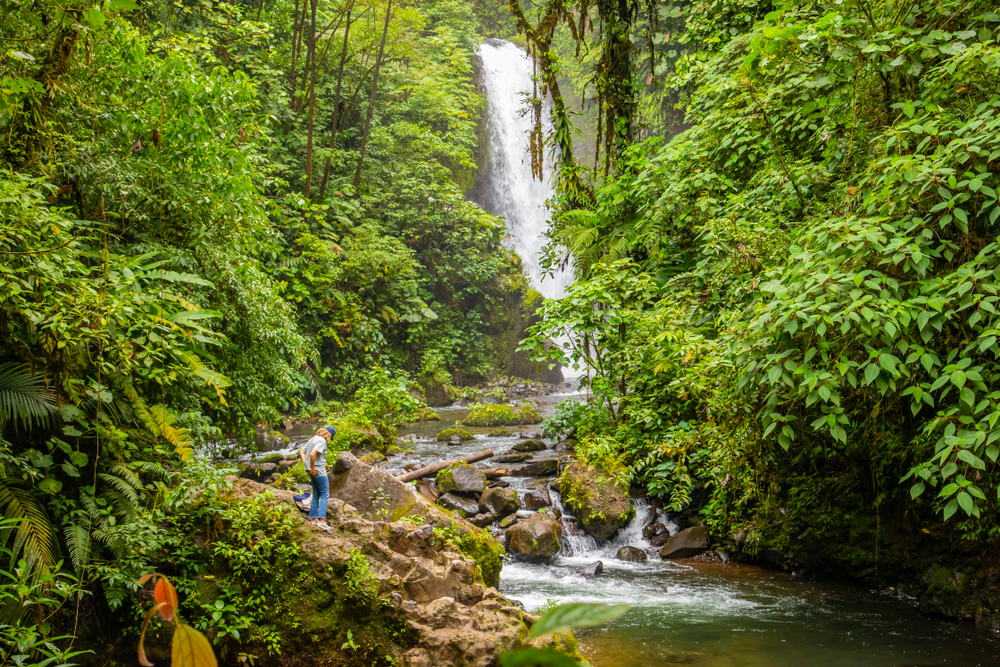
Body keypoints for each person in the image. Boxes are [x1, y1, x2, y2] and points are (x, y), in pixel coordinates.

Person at [300, 425, 335, 530]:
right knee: (325, 494)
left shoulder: (313, 439)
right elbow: (312, 454)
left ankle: (313, 518)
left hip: (312, 471)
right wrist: (312, 468)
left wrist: (307, 466)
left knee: (316, 494)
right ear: (329, 434)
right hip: (318, 471)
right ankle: (322, 521)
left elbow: (302, 451)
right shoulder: (321, 441)